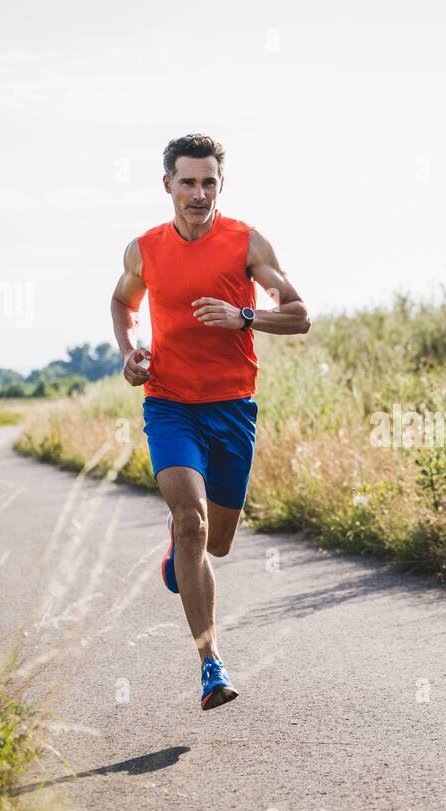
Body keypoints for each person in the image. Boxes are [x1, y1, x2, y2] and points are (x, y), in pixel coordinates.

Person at [110, 133, 309, 710]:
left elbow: (297, 315)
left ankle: (182, 547)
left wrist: (244, 316)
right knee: (192, 520)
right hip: (170, 404)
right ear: (167, 184)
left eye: (209, 182)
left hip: (231, 409)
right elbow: (123, 303)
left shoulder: (246, 243)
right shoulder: (144, 249)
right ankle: (210, 665)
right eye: (188, 182)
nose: (198, 193)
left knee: (216, 544)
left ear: (221, 184)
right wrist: (129, 352)